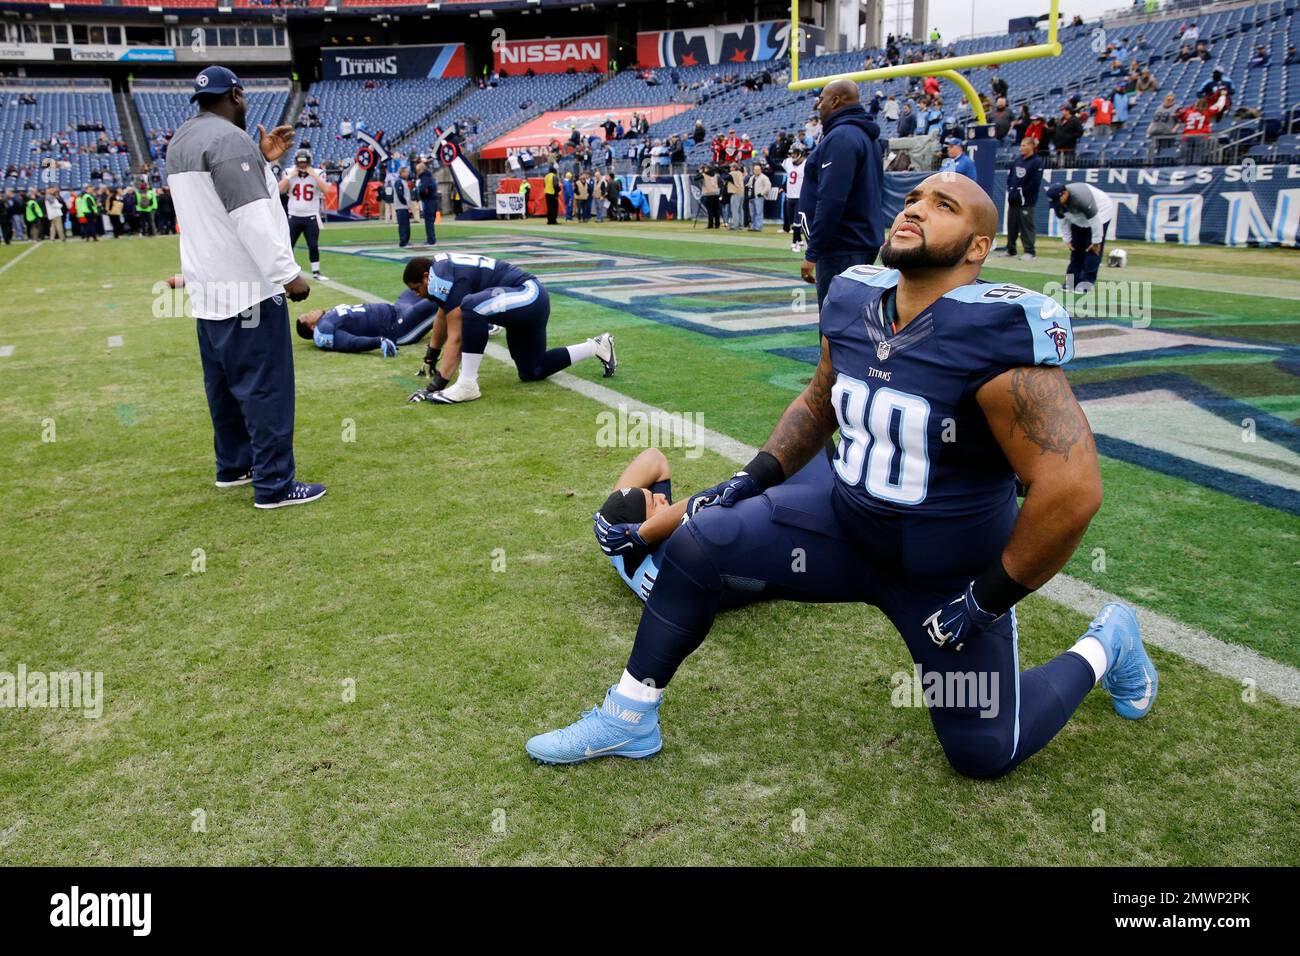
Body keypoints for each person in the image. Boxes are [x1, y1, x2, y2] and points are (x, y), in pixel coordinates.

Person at [526, 173, 1158, 773]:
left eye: (944, 206)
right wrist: (755, 475)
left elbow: (1072, 491)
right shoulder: (854, 297)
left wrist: (984, 602)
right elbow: (819, 400)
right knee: (698, 539)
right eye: (912, 197)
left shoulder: (995, 335)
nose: (914, 208)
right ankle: (630, 715)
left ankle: (1109, 642)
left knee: (985, 753)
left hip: (944, 575)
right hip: (842, 524)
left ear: (979, 247)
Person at [165, 66, 324, 510]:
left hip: (209, 290)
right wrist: (289, 274)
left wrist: (264, 160)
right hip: (248, 290)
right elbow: (251, 215)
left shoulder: (181, 139)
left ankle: (233, 466)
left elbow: (214, 206)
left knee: (223, 387)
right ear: (236, 94)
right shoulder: (230, 142)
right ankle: (274, 485)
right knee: (265, 388)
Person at [594, 447, 829, 604]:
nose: (662, 497)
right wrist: (640, 533)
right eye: (654, 502)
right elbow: (697, 507)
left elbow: (654, 458)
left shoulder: (621, 550)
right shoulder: (671, 556)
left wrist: (608, 512)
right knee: (812, 448)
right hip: (792, 562)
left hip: (761, 551)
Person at [403, 252, 617, 406]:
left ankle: (468, 383)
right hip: (523, 303)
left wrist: (435, 386)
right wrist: (431, 356)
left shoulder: (441, 276)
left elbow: (456, 335)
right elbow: (442, 315)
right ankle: (597, 347)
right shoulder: (442, 270)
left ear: (425, 277)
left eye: (416, 289)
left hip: (527, 294)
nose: (417, 295)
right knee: (533, 371)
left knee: (471, 307)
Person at [798, 78, 885, 307]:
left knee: (835, 324)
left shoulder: (841, 137)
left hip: (842, 244)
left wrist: (813, 252)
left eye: (823, 100)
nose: (819, 105)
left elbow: (832, 199)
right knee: (851, 320)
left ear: (835, 101)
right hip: (859, 241)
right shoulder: (864, 137)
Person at [295, 288, 439, 356]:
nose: (311, 311)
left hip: (395, 309)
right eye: (308, 316)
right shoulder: (323, 330)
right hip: (398, 327)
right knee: (437, 298)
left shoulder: (328, 317)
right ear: (313, 327)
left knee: (417, 284)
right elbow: (350, 342)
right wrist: (378, 341)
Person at [1046, 182, 1114, 293]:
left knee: (1092, 249)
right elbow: (1062, 222)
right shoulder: (1058, 203)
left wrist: (1097, 242)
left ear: (1064, 194)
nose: (1056, 205)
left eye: (1057, 201)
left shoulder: (1081, 198)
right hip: (1079, 218)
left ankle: (1086, 282)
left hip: (1101, 212)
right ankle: (1071, 282)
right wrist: (1067, 240)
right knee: (1076, 248)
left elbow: (1095, 221)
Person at [279, 149, 329, 281]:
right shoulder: (288, 172)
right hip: (293, 216)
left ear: (309, 161)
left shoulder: (318, 173)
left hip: (311, 216)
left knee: (313, 245)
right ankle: (287, 274)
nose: (302, 165)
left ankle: (316, 272)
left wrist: (313, 175)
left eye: (304, 162)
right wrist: (290, 177)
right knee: (289, 246)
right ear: (296, 161)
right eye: (300, 162)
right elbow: (279, 190)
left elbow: (326, 189)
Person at [1003, 136, 1041, 260]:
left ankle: (1030, 252)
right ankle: (1010, 249)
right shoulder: (1017, 160)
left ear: (1032, 146)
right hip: (1013, 199)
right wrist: (1011, 189)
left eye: (1024, 145)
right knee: (1012, 225)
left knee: (1026, 226)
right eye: (1021, 145)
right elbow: (1011, 176)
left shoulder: (1036, 162)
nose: (1021, 148)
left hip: (1027, 201)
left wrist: (1022, 193)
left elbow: (1035, 182)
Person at [781, 144, 807, 252]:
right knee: (792, 223)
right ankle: (800, 241)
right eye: (792, 153)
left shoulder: (806, 164)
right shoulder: (788, 163)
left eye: (795, 153)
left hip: (800, 197)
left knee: (797, 222)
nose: (793, 155)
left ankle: (794, 243)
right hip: (790, 196)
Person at [416, 161, 438, 245]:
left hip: (429, 201)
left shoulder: (425, 177)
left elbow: (423, 188)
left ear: (421, 170)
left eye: (418, 170)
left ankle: (431, 240)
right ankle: (431, 239)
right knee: (430, 221)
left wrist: (420, 192)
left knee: (429, 222)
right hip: (432, 200)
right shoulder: (429, 176)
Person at [392, 167, 411, 248]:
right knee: (403, 224)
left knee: (406, 224)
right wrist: (405, 202)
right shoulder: (399, 182)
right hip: (401, 207)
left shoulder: (403, 181)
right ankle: (403, 241)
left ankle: (406, 240)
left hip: (404, 206)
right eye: (406, 172)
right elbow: (400, 194)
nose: (407, 173)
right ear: (402, 173)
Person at [748, 163, 770, 232]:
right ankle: (753, 226)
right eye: (755, 169)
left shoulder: (764, 177)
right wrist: (749, 194)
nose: (756, 171)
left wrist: (762, 193)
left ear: (761, 170)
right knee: (752, 213)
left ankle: (758, 227)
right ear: (753, 170)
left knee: (758, 212)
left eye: (758, 169)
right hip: (751, 197)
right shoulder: (752, 177)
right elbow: (749, 186)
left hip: (758, 197)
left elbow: (768, 187)